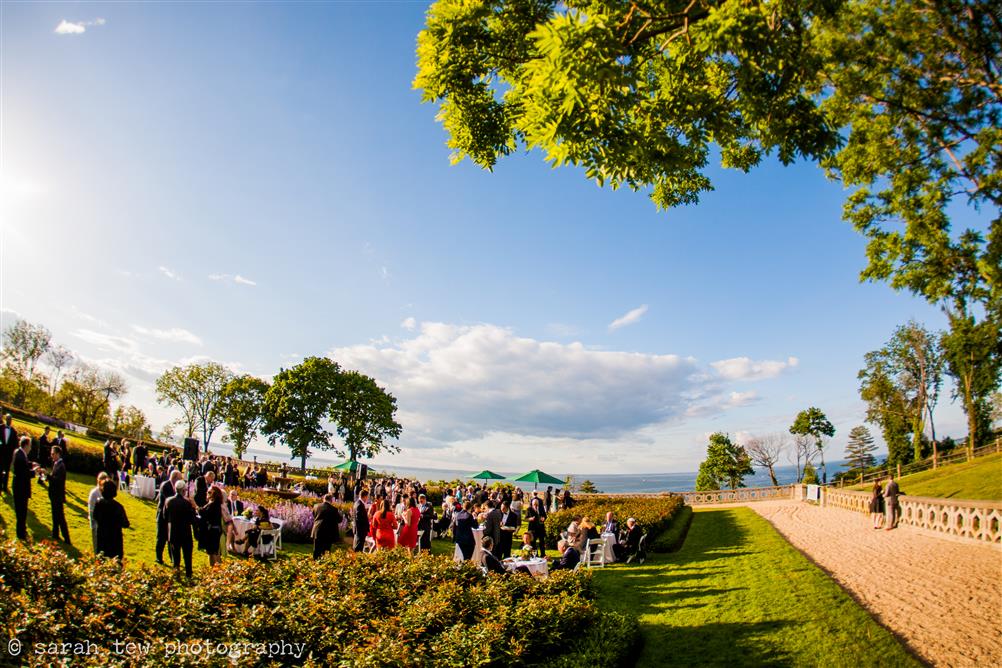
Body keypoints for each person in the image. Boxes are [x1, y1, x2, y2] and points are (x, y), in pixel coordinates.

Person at [165, 479, 197, 578]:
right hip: (185, 532)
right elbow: (192, 519)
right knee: (187, 555)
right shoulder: (187, 503)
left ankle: (176, 572)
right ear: (183, 491)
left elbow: (164, 516)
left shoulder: (168, 501)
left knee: (176, 554)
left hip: (174, 531)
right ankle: (188, 573)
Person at [92, 479, 130, 561]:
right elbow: (126, 524)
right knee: (115, 562)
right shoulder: (118, 507)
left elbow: (95, 516)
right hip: (115, 539)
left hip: (102, 536)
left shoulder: (99, 503)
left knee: (101, 560)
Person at [43, 445, 70, 543]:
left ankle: (67, 538)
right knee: (55, 515)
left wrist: (47, 475)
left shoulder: (61, 466)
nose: (51, 455)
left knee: (60, 517)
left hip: (57, 495)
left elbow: (57, 481)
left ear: (58, 454)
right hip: (54, 494)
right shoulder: (56, 464)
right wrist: (47, 477)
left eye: (53, 454)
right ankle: (55, 534)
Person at [155, 470, 183, 564]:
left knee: (171, 538)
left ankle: (172, 558)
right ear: (174, 478)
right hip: (163, 516)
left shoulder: (174, 487)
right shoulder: (165, 486)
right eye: (179, 478)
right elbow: (168, 501)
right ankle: (159, 557)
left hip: (171, 517)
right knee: (161, 538)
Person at [11, 436, 34, 539]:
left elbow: (24, 465)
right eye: (30, 446)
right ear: (25, 445)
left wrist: (32, 464)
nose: (30, 448)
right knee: (21, 511)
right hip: (21, 488)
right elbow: (24, 473)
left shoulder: (20, 453)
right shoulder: (20, 456)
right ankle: (21, 534)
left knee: (22, 511)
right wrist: (34, 472)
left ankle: (22, 530)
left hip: (19, 486)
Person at [198, 486, 226, 567]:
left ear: (215, 494)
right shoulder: (213, 503)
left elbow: (203, 513)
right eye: (208, 492)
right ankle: (214, 570)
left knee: (213, 552)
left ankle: (217, 570)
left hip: (213, 531)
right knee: (211, 552)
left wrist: (194, 505)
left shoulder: (214, 504)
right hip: (213, 530)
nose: (207, 493)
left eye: (210, 492)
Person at [312, 493, 343, 559]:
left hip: (317, 530)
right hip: (327, 532)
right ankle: (324, 563)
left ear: (324, 499)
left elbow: (314, 515)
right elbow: (339, 520)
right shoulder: (334, 509)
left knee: (316, 549)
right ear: (331, 500)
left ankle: (314, 562)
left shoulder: (316, 506)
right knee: (326, 550)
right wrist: (341, 514)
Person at [88, 472, 110, 551]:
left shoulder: (107, 492)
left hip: (105, 526)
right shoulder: (94, 493)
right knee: (97, 547)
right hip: (96, 525)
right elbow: (91, 510)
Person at [0, 414, 18, 493]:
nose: (9, 421)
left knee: (7, 471)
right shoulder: (0, 427)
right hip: (0, 453)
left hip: (8, 455)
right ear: (5, 419)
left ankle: (5, 486)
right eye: (7, 419)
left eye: (10, 419)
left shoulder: (14, 431)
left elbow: (15, 444)